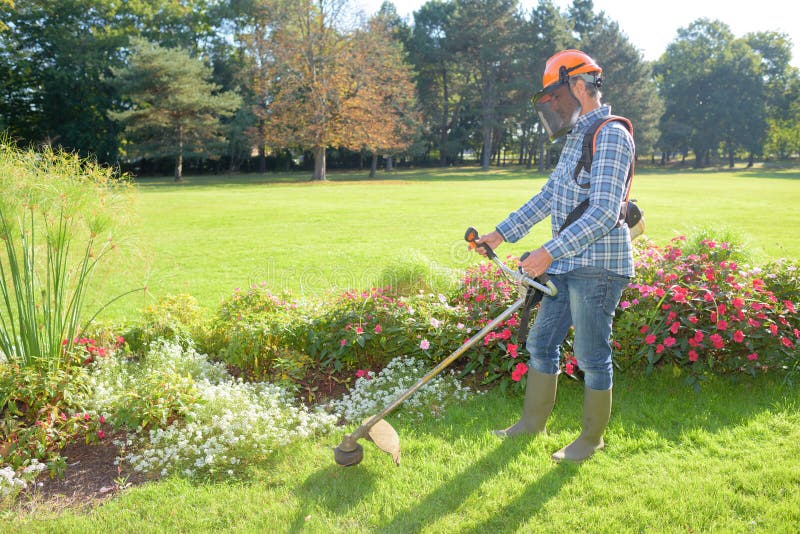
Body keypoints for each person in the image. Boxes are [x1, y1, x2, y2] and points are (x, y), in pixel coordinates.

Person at [473, 49, 634, 463]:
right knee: (541, 342)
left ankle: (590, 440)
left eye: (556, 95)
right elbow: (550, 196)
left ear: (579, 87)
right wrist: (500, 233)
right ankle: (532, 422)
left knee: (592, 356)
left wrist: (547, 252)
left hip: (599, 266)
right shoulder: (578, 136)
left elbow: (602, 212)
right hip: (566, 262)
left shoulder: (612, 135)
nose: (554, 106)